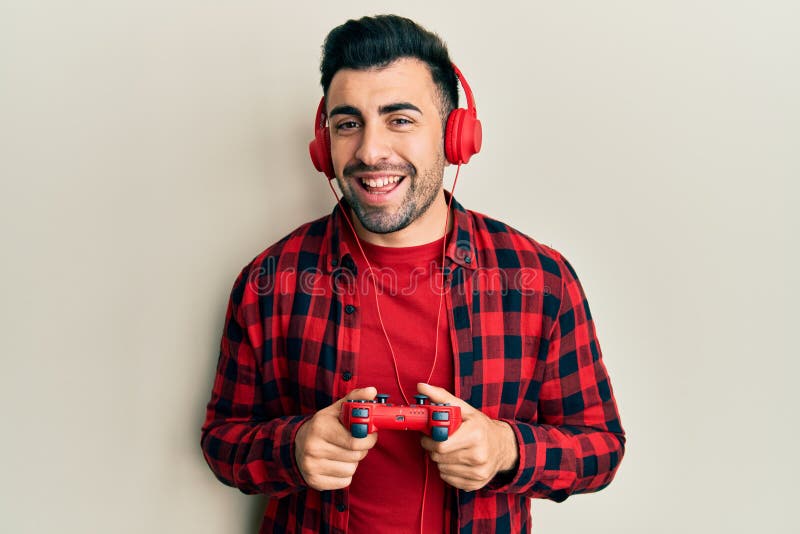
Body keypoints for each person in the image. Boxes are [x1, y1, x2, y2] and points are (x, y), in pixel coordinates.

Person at [201, 14, 625, 534]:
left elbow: (601, 447)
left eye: (399, 119)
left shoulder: (540, 278)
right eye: (348, 123)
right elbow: (222, 438)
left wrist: (506, 448)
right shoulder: (270, 279)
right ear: (324, 144)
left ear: (454, 137)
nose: (370, 151)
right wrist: (291, 448)